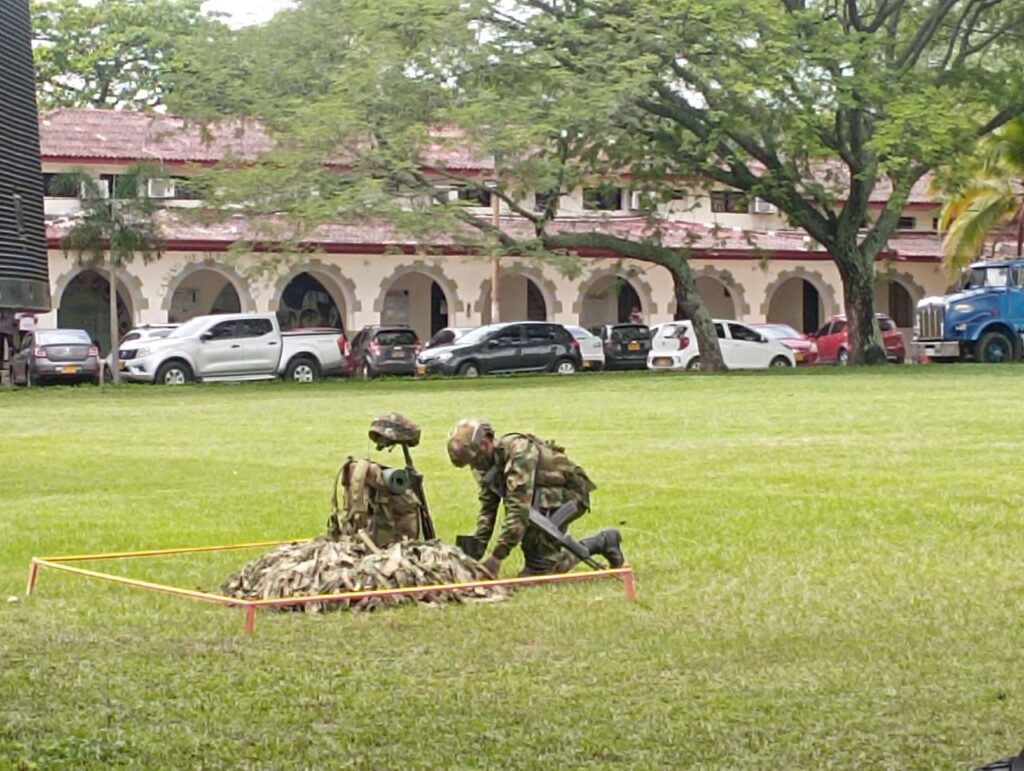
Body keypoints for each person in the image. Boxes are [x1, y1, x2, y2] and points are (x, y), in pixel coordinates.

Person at [447, 418, 624, 577]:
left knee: (542, 571)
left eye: (474, 460)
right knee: (536, 552)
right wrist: (475, 553)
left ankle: (603, 541)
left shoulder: (520, 452)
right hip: (539, 499)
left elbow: (518, 508)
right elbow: (488, 507)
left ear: (485, 443)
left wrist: (497, 556)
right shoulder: (483, 460)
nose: (475, 466)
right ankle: (603, 541)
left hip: (569, 495)